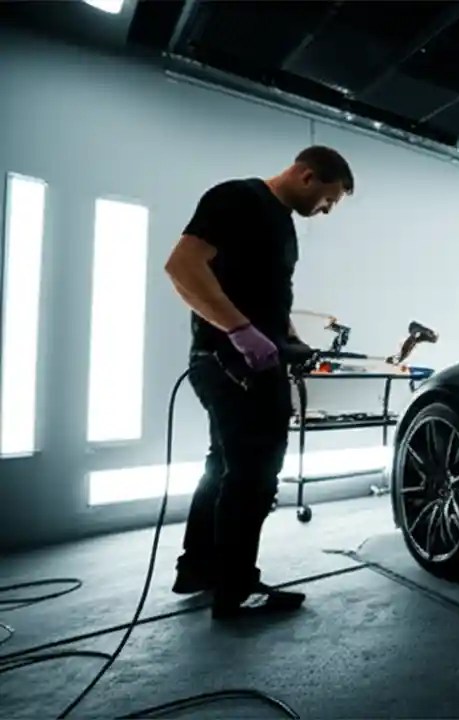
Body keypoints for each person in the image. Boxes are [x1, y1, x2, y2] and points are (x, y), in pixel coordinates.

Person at [163, 146, 354, 619]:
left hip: (248, 362)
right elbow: (182, 267)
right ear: (307, 176)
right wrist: (240, 331)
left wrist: (290, 338)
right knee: (254, 474)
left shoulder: (282, 224)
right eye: (328, 200)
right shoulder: (236, 198)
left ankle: (199, 570)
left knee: (225, 466)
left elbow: (269, 295)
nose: (326, 211)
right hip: (230, 362)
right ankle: (237, 589)